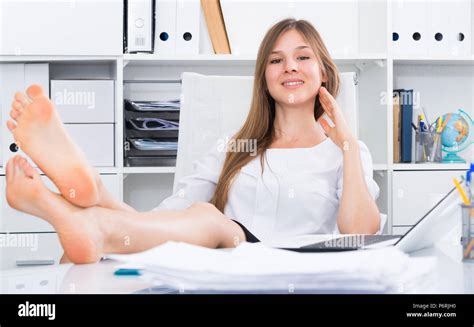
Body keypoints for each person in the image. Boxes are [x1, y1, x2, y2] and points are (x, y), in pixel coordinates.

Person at [4, 18, 380, 264]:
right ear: (264, 77)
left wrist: (345, 142)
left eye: (303, 57)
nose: (290, 67)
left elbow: (360, 232)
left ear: (324, 73)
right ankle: (91, 199)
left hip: (300, 267)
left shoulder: (349, 152)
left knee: (211, 220)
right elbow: (165, 219)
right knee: (194, 219)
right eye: (276, 61)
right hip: (226, 260)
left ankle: (82, 209)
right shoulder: (237, 147)